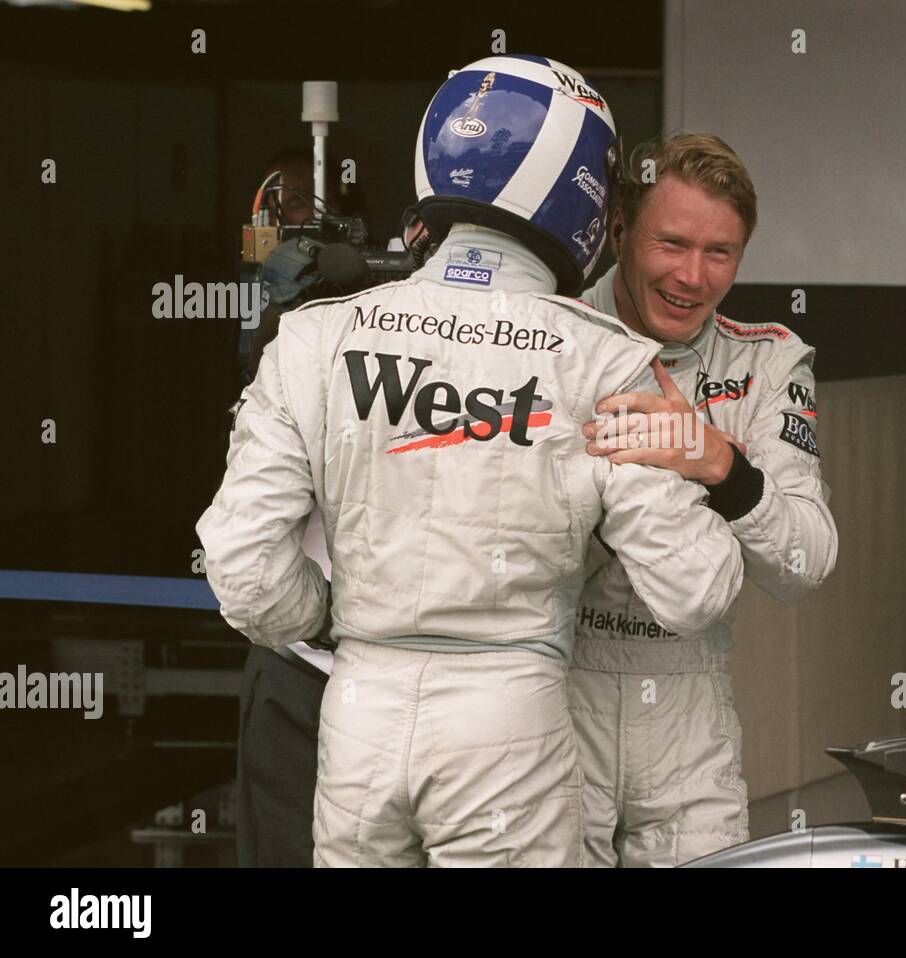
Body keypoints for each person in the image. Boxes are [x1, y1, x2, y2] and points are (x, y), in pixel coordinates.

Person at [198, 57, 745, 867]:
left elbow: (240, 567)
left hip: (359, 719)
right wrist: (714, 465)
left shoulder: (314, 338)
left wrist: (335, 621)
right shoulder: (606, 362)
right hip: (509, 726)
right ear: (584, 197)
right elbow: (696, 590)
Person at [567, 132, 839, 867]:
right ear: (619, 230)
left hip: (688, 698)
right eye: (672, 242)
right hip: (554, 684)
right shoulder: (544, 337)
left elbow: (806, 561)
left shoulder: (767, 359)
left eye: (720, 252)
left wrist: (720, 463)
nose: (692, 275)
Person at [233, 201, 430, 868]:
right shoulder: (290, 352)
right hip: (304, 674)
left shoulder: (478, 346)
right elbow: (249, 537)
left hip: (431, 682)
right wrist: (281, 330)